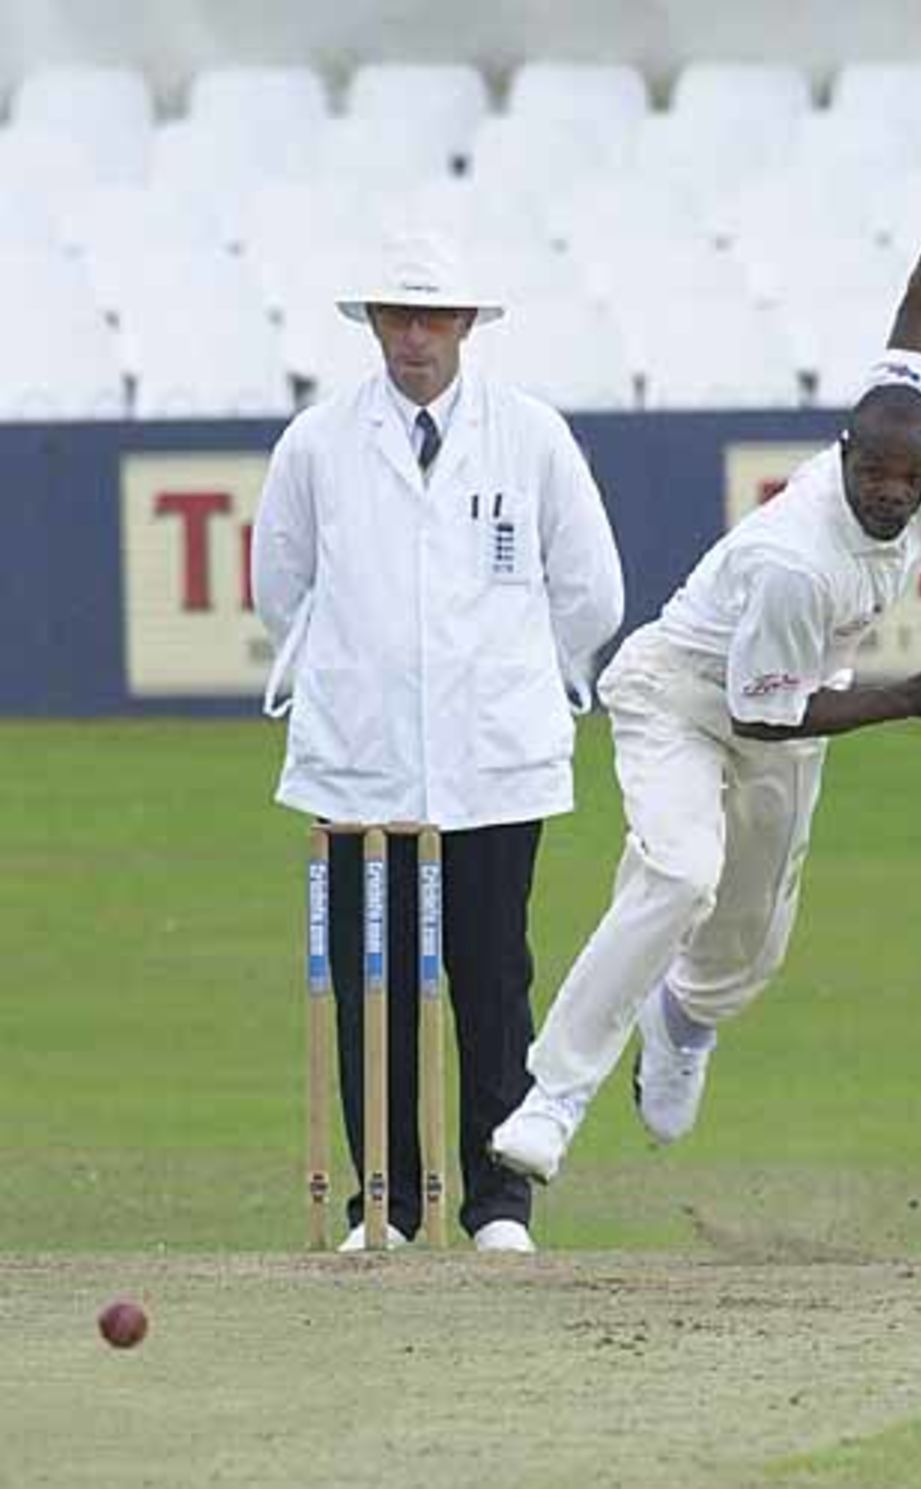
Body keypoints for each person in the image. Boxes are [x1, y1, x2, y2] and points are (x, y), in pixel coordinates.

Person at [491, 110, 921, 1184]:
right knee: (680, 873)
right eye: (873, 475)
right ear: (844, 455)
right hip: (685, 695)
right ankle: (553, 1097)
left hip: (792, 695)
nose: (889, 494)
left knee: (746, 948)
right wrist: (909, 696)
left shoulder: (906, 415)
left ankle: (683, 1022)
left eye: (907, 480)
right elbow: (756, 714)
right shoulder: (799, 558)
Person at [252, 235, 624, 1251]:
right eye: (396, 317)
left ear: (467, 326)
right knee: (375, 982)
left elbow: (591, 590)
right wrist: (350, 675)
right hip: (359, 760)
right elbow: (279, 586)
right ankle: (388, 1205)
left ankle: (500, 1204)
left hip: (496, 758)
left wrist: (531, 682)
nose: (413, 337)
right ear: (372, 325)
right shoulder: (319, 443)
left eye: (432, 318)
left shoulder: (531, 436)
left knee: (492, 977)